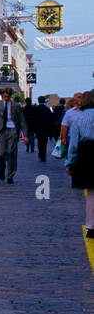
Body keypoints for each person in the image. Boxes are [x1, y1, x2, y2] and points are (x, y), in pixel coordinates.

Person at [64, 90, 94, 240]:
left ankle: (91, 226)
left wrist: (70, 164)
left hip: (87, 154)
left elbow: (73, 145)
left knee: (91, 192)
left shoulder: (79, 118)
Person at [0, 88, 28, 185]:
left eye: (8, 96)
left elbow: (21, 120)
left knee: (11, 153)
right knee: (1, 153)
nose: (6, 98)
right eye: (5, 96)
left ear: (10, 96)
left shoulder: (16, 106)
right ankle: (2, 166)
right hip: (1, 131)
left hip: (12, 130)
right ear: (2, 95)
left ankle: (10, 175)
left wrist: (25, 135)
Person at [24, 97, 50, 162]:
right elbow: (51, 119)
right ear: (44, 101)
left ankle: (40, 153)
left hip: (37, 128)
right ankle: (43, 154)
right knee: (44, 142)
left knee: (39, 141)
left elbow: (33, 119)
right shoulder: (47, 109)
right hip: (45, 128)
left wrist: (31, 127)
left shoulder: (36, 109)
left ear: (38, 101)